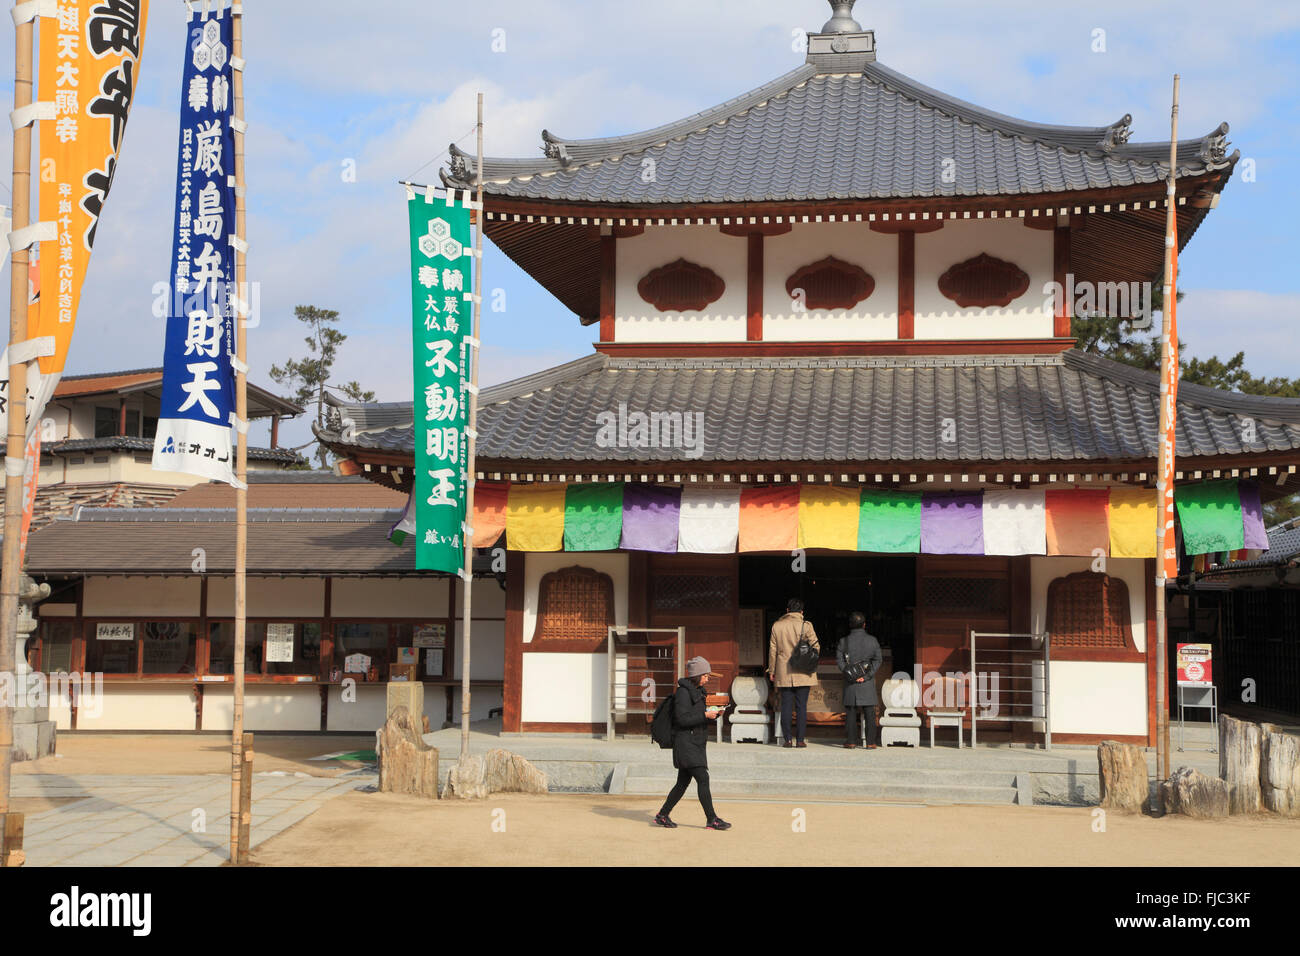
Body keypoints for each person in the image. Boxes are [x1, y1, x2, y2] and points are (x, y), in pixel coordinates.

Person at [655, 656, 732, 830]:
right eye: (705, 675)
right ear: (697, 675)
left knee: (682, 782)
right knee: (703, 778)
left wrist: (714, 714)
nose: (707, 678)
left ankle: (662, 815)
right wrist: (705, 715)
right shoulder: (683, 692)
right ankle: (712, 819)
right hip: (686, 743)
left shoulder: (698, 691)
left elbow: (695, 716)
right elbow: (681, 719)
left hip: (694, 742)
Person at [768, 598, 819, 748]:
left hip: (784, 671)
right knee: (801, 706)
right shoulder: (806, 625)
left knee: (786, 705)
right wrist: (808, 658)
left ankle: (788, 740)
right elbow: (816, 646)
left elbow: (773, 651)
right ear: (802, 612)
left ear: (787, 610)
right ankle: (801, 740)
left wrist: (772, 670)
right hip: (803, 671)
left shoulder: (777, 626)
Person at [837, 610, 883, 749]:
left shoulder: (843, 641)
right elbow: (878, 659)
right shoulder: (872, 640)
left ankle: (851, 741)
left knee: (850, 711)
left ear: (850, 625)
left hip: (851, 682)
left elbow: (840, 661)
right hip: (866, 681)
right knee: (869, 712)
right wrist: (867, 675)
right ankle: (871, 742)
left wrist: (849, 674)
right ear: (864, 624)